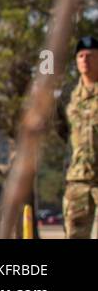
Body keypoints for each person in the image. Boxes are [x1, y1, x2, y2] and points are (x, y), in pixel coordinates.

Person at [58, 34, 98, 238]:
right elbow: (61, 129)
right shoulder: (68, 94)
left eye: (90, 55)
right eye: (81, 56)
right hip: (77, 181)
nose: (85, 60)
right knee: (74, 234)